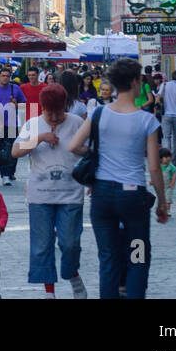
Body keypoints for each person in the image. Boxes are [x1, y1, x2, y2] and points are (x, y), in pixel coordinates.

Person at [68, 58, 168, 299]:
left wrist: (98, 154)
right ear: (135, 81)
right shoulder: (147, 120)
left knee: (109, 258)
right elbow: (154, 168)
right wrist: (162, 202)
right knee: (138, 255)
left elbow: (74, 146)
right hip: (133, 196)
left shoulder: (99, 113)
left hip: (102, 194)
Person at [14, 82, 87, 299]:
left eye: (59, 112)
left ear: (66, 106)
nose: (54, 117)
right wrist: (39, 138)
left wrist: (78, 149)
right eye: (49, 112)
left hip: (71, 193)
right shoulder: (33, 124)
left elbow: (90, 151)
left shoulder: (76, 123)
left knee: (70, 243)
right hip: (40, 195)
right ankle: (49, 292)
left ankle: (72, 275)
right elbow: (15, 151)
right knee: (42, 245)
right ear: (42, 107)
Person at [0, 67, 26, 186]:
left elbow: (24, 104)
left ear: (10, 77)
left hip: (12, 124)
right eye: (3, 75)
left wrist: (16, 104)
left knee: (9, 150)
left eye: (7, 76)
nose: (5, 78)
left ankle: (7, 175)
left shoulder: (15, 89)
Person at [159, 69, 176, 159]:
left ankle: (166, 158)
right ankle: (175, 158)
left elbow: (158, 96)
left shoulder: (164, 85)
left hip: (166, 114)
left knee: (166, 137)